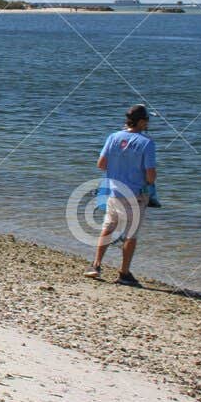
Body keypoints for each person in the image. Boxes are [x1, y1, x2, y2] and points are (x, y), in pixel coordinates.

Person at [84, 104, 158, 286]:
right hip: (135, 195)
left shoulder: (113, 137)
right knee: (131, 234)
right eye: (147, 120)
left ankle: (96, 265)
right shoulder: (147, 143)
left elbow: (101, 164)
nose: (147, 123)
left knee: (108, 227)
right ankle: (124, 273)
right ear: (141, 122)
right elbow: (150, 175)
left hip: (114, 192)